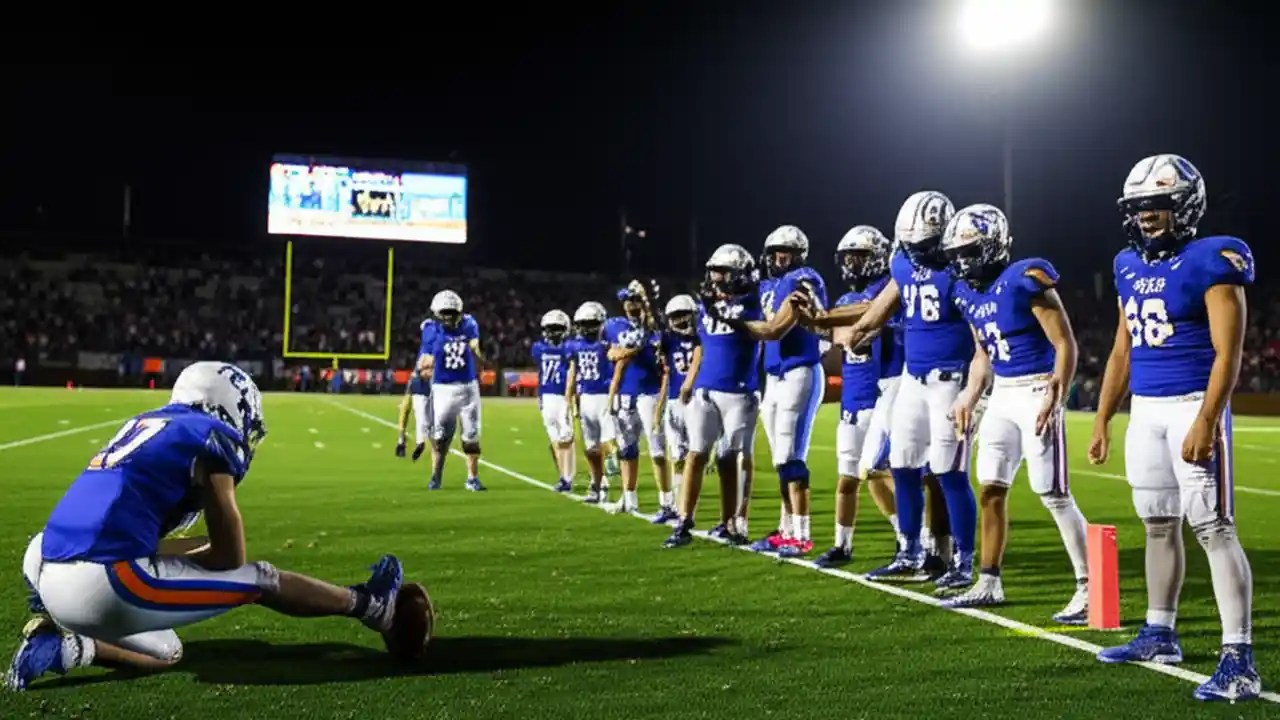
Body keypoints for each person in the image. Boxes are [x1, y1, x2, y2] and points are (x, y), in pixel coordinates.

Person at [6, 362, 423, 691]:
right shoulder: (212, 434)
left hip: (50, 571)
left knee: (167, 650)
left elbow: (137, 536)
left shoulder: (143, 424)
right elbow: (230, 557)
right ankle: (373, 607)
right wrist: (205, 555)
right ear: (231, 404)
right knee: (259, 577)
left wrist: (189, 551)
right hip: (108, 583)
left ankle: (66, 647)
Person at [1088, 154, 1261, 702]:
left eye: (1158, 205)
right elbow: (1123, 346)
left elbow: (1228, 353)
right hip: (1146, 409)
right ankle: (1159, 631)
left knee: (1212, 527)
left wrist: (1207, 420)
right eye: (1140, 207)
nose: (1147, 216)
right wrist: (1102, 417)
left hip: (1191, 403)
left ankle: (1240, 658)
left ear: (1185, 205)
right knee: (1158, 523)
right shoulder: (1125, 263)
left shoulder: (1212, 259)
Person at [938, 204, 1091, 624]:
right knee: (990, 487)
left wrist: (1056, 394)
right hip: (1003, 394)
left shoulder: (1026, 279)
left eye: (971, 251)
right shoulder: (965, 292)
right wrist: (969, 394)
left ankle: (1090, 585)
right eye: (958, 253)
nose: (963, 261)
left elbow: (1064, 342)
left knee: (1053, 492)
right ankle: (988, 582)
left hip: (1037, 387)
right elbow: (982, 353)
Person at [422, 290, 486, 491]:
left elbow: (475, 345)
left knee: (471, 437)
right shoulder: (431, 329)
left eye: (452, 312)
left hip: (468, 386)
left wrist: (478, 354)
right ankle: (435, 476)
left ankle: (472, 478)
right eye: (445, 312)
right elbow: (425, 359)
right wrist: (425, 365)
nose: (449, 317)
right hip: (443, 387)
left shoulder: (469, 323)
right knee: (440, 437)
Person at [532, 309, 577, 492]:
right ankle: (564, 476)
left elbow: (573, 373)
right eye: (551, 328)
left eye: (557, 328)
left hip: (562, 396)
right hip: (547, 395)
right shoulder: (539, 347)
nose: (553, 332)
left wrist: (570, 397)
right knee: (555, 438)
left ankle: (568, 476)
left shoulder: (569, 348)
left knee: (566, 437)